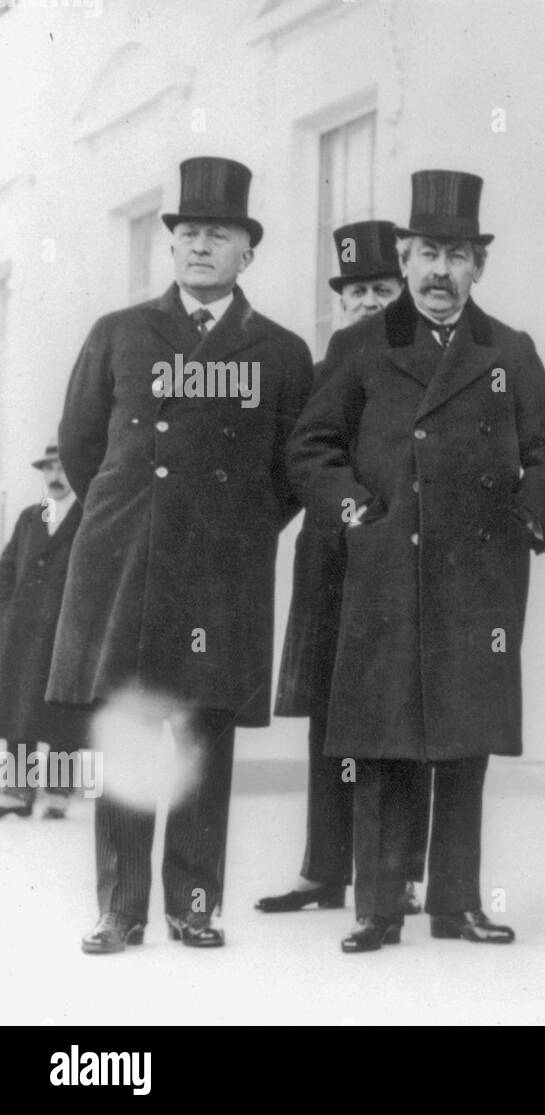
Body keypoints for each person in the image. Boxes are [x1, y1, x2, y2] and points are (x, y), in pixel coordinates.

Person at [290, 169, 545, 953]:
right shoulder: (359, 345)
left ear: (479, 265)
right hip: (385, 567)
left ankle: (456, 902)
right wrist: (354, 512)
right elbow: (310, 445)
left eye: (457, 255)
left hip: (477, 577)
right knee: (382, 741)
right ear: (405, 257)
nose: (440, 272)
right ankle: (378, 909)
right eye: (426, 254)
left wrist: (524, 519)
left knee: (464, 740)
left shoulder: (508, 349)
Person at [51, 157, 314, 953]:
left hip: (221, 567)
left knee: (204, 731)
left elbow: (293, 468)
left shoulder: (279, 349)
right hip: (132, 555)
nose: (201, 245)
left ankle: (195, 903)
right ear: (172, 246)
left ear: (247, 251)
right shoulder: (120, 333)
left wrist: (236, 528)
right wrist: (137, 517)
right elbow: (81, 445)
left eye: (219, 233)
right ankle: (119, 908)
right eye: (189, 232)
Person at [257, 220, 424, 916]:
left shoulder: (423, 359)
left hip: (399, 562)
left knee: (402, 715)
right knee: (328, 716)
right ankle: (324, 870)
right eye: (353, 290)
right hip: (330, 562)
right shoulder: (331, 362)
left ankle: (403, 875)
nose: (364, 302)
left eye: (380, 288)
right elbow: (296, 454)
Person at [0, 441, 89, 819]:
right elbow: (6, 571)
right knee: (20, 710)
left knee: (65, 713)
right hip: (23, 633)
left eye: (62, 468)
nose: (54, 476)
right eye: (48, 468)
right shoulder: (29, 518)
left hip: (68, 635)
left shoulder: (91, 517)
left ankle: (58, 791)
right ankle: (17, 790)